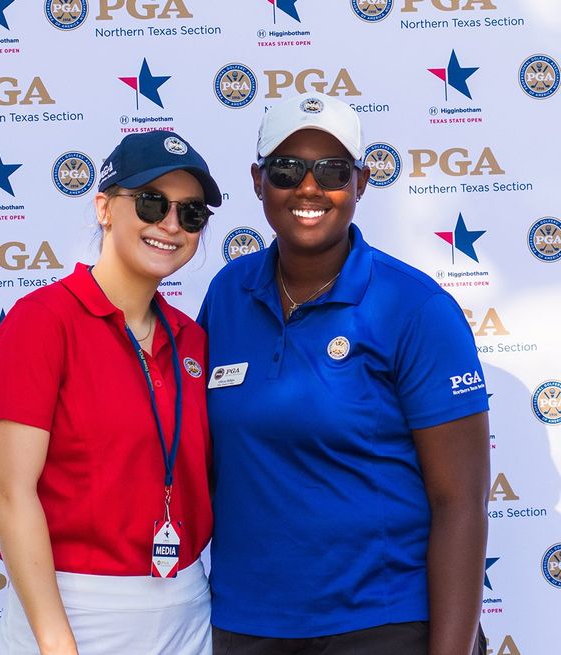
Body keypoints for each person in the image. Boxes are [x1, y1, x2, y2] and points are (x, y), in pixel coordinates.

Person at [198, 93, 490, 655]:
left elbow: (461, 503)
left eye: (332, 171)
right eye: (286, 170)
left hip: (382, 627)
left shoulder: (416, 308)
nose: (308, 188)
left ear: (360, 183)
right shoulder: (229, 293)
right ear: (258, 182)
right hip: (246, 624)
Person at [0, 130, 221, 655]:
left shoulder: (191, 338)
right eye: (151, 202)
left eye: (191, 214)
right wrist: (55, 640)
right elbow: (9, 493)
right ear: (105, 208)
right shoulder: (42, 321)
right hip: (77, 608)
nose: (171, 225)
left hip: (187, 606)